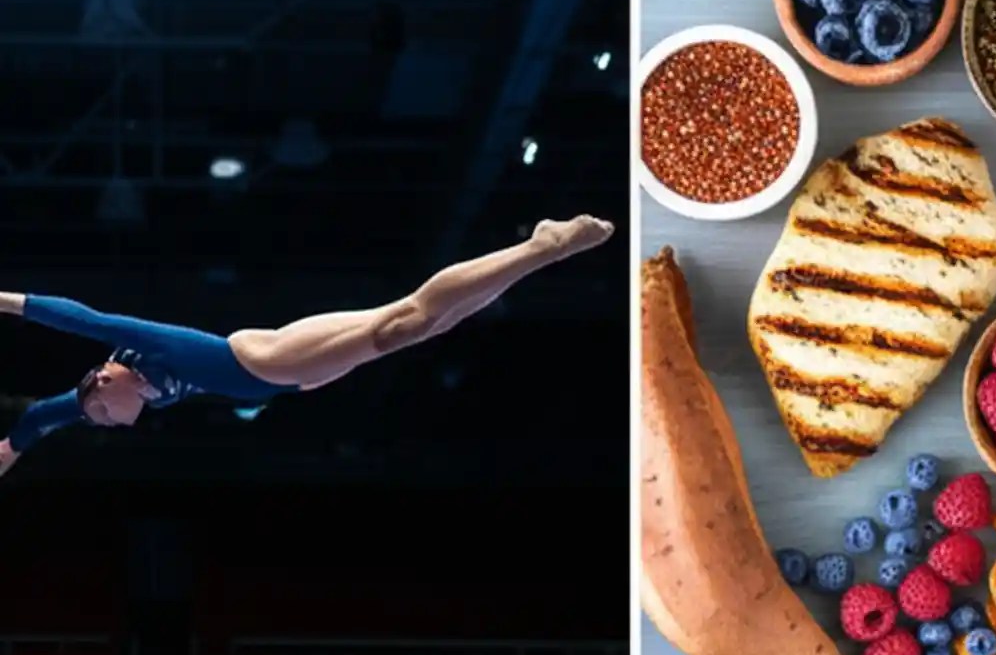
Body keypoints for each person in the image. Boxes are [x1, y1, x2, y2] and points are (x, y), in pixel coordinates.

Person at [0, 214, 614, 477]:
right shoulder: (96, 397)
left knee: (405, 325)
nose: (108, 424)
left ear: (107, 380)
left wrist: (6, 302)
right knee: (426, 325)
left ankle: (545, 248)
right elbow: (32, 423)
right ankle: (534, 252)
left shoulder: (137, 349)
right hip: (284, 370)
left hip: (263, 364)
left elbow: (76, 317)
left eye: (103, 413)